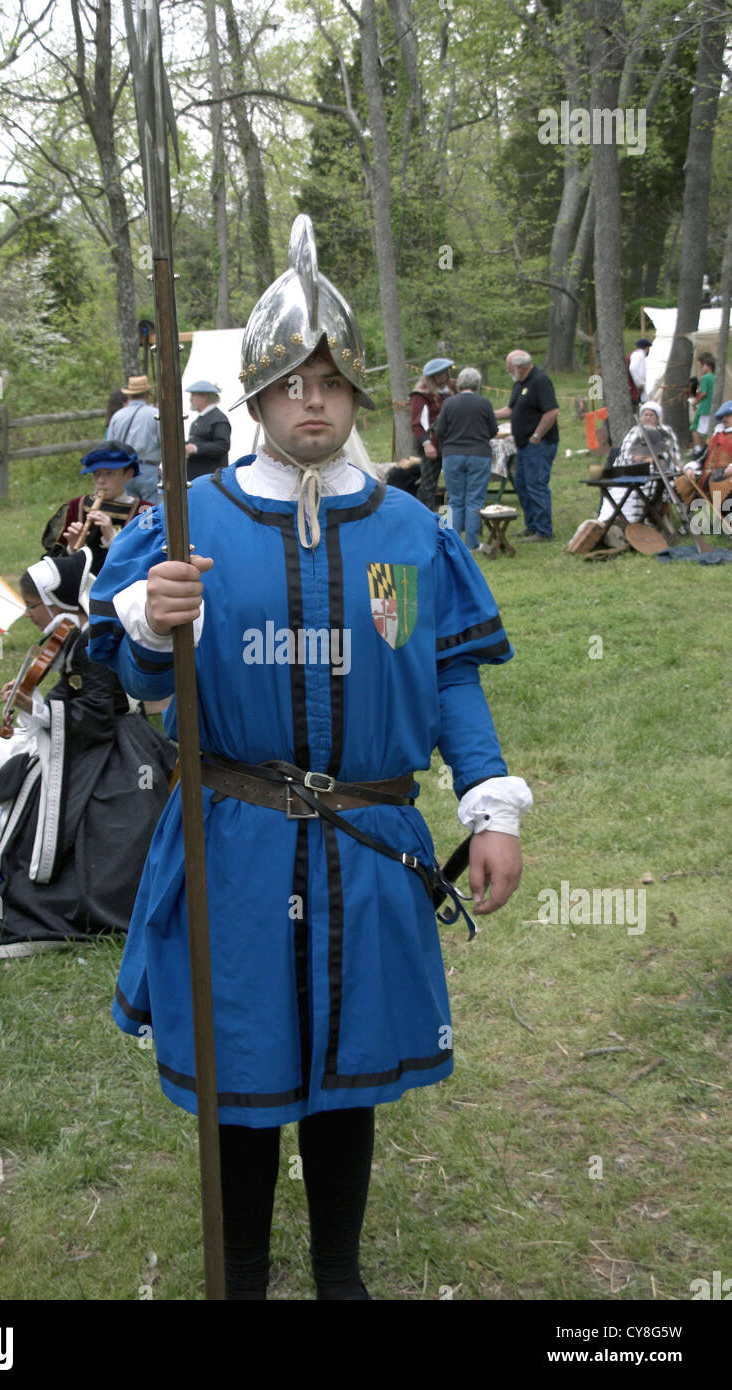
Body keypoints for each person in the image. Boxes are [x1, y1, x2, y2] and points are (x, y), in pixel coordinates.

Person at [89, 215, 531, 1301]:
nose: (314, 400)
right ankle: (242, 1274)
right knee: (245, 1067)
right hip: (234, 840)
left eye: (331, 381)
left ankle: (340, 1273)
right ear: (258, 398)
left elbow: (446, 676)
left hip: (370, 841)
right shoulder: (192, 525)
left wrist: (490, 801)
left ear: (354, 396)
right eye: (293, 381)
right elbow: (140, 689)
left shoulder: (403, 534)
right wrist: (152, 619)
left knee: (346, 1077)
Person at [0, 550, 175, 957]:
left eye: (33, 606)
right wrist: (36, 698)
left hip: (109, 751)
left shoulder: (88, 642)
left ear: (56, 603)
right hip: (86, 739)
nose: (29, 615)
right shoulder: (73, 635)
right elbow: (81, 695)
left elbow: (98, 715)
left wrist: (38, 709)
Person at [41, 443, 153, 575]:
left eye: (109, 474)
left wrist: (113, 539)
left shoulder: (145, 511)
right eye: (96, 473)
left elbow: (148, 561)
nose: (100, 480)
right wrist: (72, 549)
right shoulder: (75, 506)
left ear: (128, 474)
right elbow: (53, 563)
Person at [495, 349, 559, 541]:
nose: (508, 372)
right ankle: (531, 525)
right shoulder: (520, 383)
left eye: (509, 369)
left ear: (520, 367)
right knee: (522, 485)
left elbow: (552, 411)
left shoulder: (540, 381)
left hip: (539, 445)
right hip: (522, 445)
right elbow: (511, 409)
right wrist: (486, 412)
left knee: (536, 485)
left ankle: (544, 530)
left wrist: (537, 435)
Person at [433, 366, 498, 552]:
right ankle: (472, 543)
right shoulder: (484, 403)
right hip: (479, 454)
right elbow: (493, 430)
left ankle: (454, 543)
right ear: (478, 384)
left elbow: (440, 431)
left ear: (459, 384)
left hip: (453, 455)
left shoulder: (449, 403)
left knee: (455, 500)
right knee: (474, 500)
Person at [598, 401, 681, 527]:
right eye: (645, 415)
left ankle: (636, 523)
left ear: (657, 417)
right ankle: (608, 522)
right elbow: (626, 455)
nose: (647, 417)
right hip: (631, 472)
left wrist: (652, 458)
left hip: (655, 474)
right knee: (616, 490)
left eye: (651, 415)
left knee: (643, 490)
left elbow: (668, 457)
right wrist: (639, 458)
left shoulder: (665, 432)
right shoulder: (634, 432)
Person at [108, 374, 162, 503]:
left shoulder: (117, 416)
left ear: (129, 396)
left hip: (125, 470)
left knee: (128, 510)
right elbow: (165, 443)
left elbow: (110, 446)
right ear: (147, 395)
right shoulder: (155, 414)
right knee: (151, 511)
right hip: (148, 469)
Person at [410, 357, 455, 510]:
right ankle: (423, 514)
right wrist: (427, 445)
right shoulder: (421, 394)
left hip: (451, 442)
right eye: (439, 375)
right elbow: (417, 424)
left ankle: (453, 519)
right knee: (429, 484)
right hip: (432, 443)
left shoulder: (451, 388)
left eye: (445, 374)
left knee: (453, 483)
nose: (443, 378)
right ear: (431, 377)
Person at [676, 399, 732, 512]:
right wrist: (691, 468)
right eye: (723, 416)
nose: (724, 419)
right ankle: (685, 522)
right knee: (679, 484)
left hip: (726, 477)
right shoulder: (716, 437)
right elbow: (701, 457)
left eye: (728, 415)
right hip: (708, 477)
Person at [184, 380, 231, 480]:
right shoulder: (203, 418)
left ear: (204, 397)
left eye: (193, 395)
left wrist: (196, 448)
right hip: (201, 478)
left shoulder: (218, 419)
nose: (190, 399)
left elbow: (223, 445)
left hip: (211, 479)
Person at [691, 352, 715, 449]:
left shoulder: (705, 378)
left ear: (708, 366)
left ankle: (698, 449)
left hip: (704, 407)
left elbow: (704, 393)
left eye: (703, 366)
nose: (702, 368)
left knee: (695, 429)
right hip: (712, 407)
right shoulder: (715, 377)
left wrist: (694, 402)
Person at [626, 338, 651, 404]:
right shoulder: (639, 355)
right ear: (647, 348)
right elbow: (632, 368)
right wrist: (640, 385)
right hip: (634, 388)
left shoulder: (637, 354)